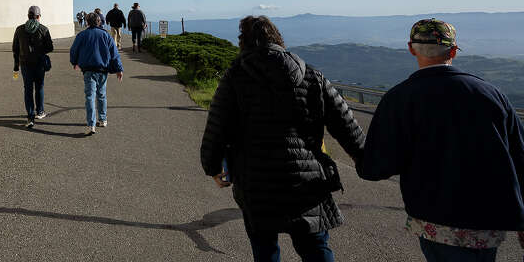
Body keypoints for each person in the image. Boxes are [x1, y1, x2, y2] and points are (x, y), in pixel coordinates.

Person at [356, 19, 524, 262]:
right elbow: (519, 157)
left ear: (411, 49)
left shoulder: (399, 98)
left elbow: (376, 167)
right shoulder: (491, 94)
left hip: (435, 220)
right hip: (488, 221)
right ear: (453, 51)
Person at [200, 15, 365, 262]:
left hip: (256, 182)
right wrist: (366, 160)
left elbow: (216, 127)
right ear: (279, 39)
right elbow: (347, 125)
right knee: (315, 248)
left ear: (243, 42)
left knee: (265, 249)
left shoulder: (234, 77)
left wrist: (212, 167)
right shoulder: (311, 75)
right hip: (307, 181)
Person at [69, 12, 124, 135]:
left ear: (87, 22)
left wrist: (75, 62)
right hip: (102, 70)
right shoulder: (105, 35)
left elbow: (74, 50)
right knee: (101, 94)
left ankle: (91, 124)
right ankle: (102, 119)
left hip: (88, 70)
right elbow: (114, 53)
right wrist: (119, 69)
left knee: (90, 96)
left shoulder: (82, 35)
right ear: (99, 22)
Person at [12, 5, 55, 128]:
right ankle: (40, 112)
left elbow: (15, 49)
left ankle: (30, 117)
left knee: (28, 89)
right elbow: (50, 47)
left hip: (25, 64)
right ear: (38, 16)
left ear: (28, 16)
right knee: (39, 87)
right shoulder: (43, 29)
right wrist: (39, 50)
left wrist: (16, 65)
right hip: (39, 64)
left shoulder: (20, 29)